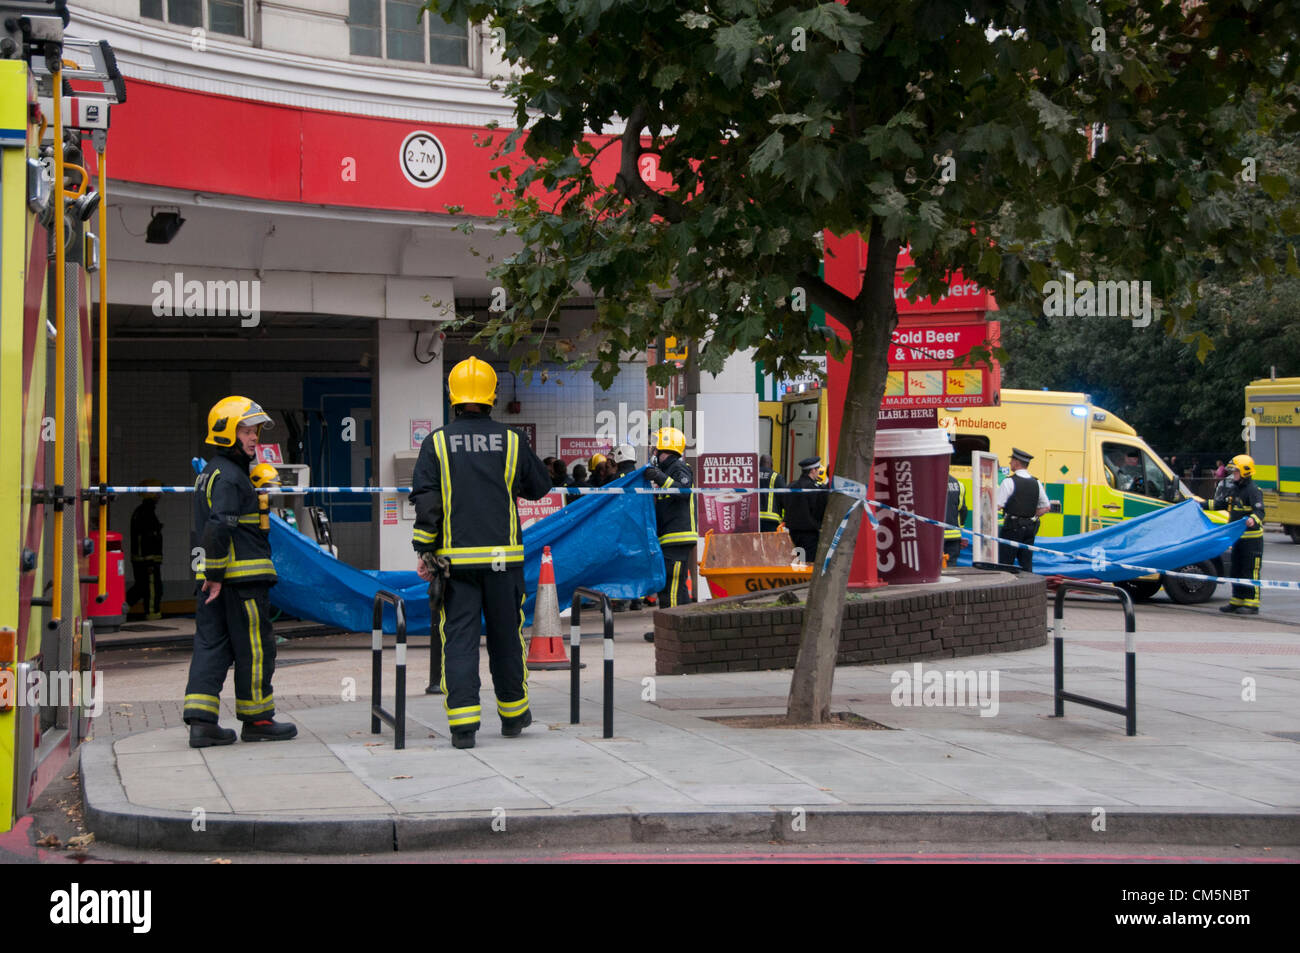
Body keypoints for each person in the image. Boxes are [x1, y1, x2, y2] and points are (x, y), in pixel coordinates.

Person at [411, 357, 551, 749]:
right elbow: (539, 487)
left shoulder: (436, 442)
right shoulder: (511, 441)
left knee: (459, 641)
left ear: (452, 396)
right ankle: (512, 716)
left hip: (454, 565)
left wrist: (425, 550)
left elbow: (427, 503)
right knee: (507, 637)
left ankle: (463, 727)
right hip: (503, 562)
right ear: (492, 396)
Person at [185, 396, 297, 748]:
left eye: (255, 432)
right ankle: (258, 719)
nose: (254, 439)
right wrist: (217, 574)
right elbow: (220, 526)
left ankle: (202, 723)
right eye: (247, 431)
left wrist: (210, 575)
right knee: (255, 648)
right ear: (226, 433)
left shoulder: (210, 473)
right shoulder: (231, 477)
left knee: (211, 646)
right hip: (241, 582)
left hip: (214, 581)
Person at [643, 427, 697, 641]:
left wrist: (658, 476)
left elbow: (683, 492)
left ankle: (669, 633)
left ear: (668, 451)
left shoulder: (679, 468)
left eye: (658, 451)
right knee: (679, 587)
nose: (655, 455)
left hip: (677, 538)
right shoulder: (670, 470)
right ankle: (683, 629)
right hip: (671, 538)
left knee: (671, 587)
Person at [1205, 454, 1265, 614]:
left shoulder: (1253, 491)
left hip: (1252, 541)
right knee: (1236, 570)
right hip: (1237, 538)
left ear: (1245, 472)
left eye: (1236, 472)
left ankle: (1252, 604)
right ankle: (1237, 600)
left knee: (1249, 571)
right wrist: (1200, 504)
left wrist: (1253, 519)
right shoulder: (1235, 489)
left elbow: (1260, 511)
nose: (1233, 475)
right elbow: (1220, 503)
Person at [996, 447, 1050, 572]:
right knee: (1026, 563)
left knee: (1005, 563)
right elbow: (1046, 507)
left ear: (1017, 462)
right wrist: (1030, 516)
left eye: (1011, 460)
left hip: (1012, 527)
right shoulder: (1036, 482)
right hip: (1030, 527)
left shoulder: (1009, 481)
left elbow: (997, 505)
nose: (1009, 463)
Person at [126, 479, 164, 620]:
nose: (160, 494)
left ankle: (121, 608)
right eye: (157, 491)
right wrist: (149, 560)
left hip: (145, 559)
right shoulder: (146, 512)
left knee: (141, 588)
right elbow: (147, 537)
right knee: (153, 590)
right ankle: (153, 616)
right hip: (148, 560)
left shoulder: (143, 511)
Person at [783, 457, 827, 564]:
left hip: (793, 532)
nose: (818, 472)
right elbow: (818, 509)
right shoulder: (813, 488)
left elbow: (784, 503)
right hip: (809, 533)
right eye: (817, 469)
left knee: (799, 560)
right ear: (812, 470)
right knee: (809, 562)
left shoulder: (792, 486)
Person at [943, 466, 968, 568]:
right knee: (951, 567)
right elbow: (962, 509)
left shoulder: (930, 483)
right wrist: (960, 529)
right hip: (954, 535)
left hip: (935, 536)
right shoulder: (959, 484)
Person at [758, 454, 787, 533]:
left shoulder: (752, 475)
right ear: (771, 465)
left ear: (759, 464)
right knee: (769, 544)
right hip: (771, 520)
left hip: (753, 520)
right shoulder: (776, 477)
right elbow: (785, 498)